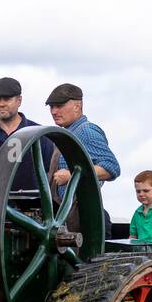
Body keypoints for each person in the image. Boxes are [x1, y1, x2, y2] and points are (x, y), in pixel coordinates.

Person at [46, 83, 120, 235]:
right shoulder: (65, 135)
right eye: (51, 107)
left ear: (77, 106)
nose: (54, 111)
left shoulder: (86, 131)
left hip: (85, 219)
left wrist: (72, 175)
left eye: (59, 106)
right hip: (66, 216)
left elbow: (111, 167)